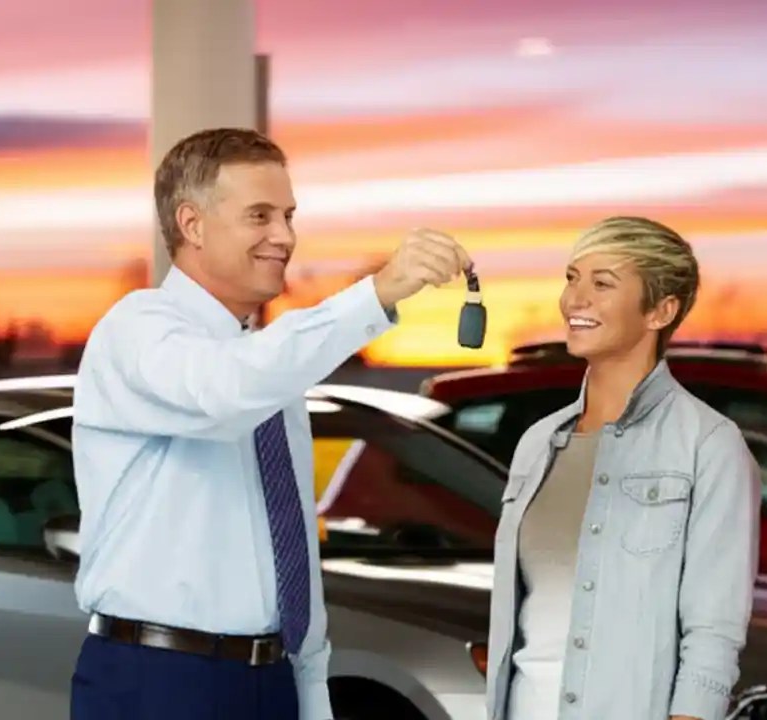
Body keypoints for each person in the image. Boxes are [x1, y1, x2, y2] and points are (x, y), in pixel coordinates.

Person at [68, 127, 472, 720]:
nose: (284, 236)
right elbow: (225, 390)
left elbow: (289, 540)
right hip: (158, 680)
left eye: (287, 215)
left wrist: (308, 686)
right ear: (192, 224)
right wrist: (376, 295)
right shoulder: (139, 330)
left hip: (269, 678)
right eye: (259, 215)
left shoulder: (268, 364)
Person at [485, 216, 761, 720]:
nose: (575, 299)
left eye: (602, 283)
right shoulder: (537, 444)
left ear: (661, 310)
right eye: (572, 278)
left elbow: (713, 638)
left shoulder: (709, 445)